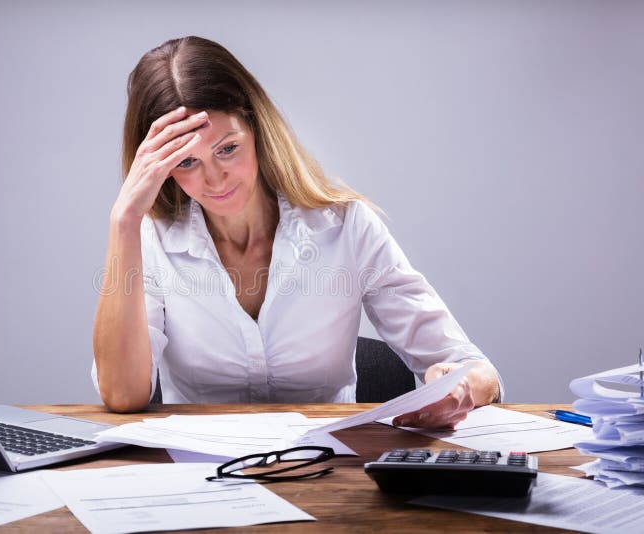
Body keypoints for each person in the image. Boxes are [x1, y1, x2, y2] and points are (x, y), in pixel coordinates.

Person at [92, 36, 503, 428]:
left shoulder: (347, 227)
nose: (215, 179)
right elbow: (123, 395)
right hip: (198, 479)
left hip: (325, 473)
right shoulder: (150, 239)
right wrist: (124, 221)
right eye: (186, 163)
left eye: (227, 149)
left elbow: (472, 366)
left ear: (257, 129)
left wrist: (460, 387)